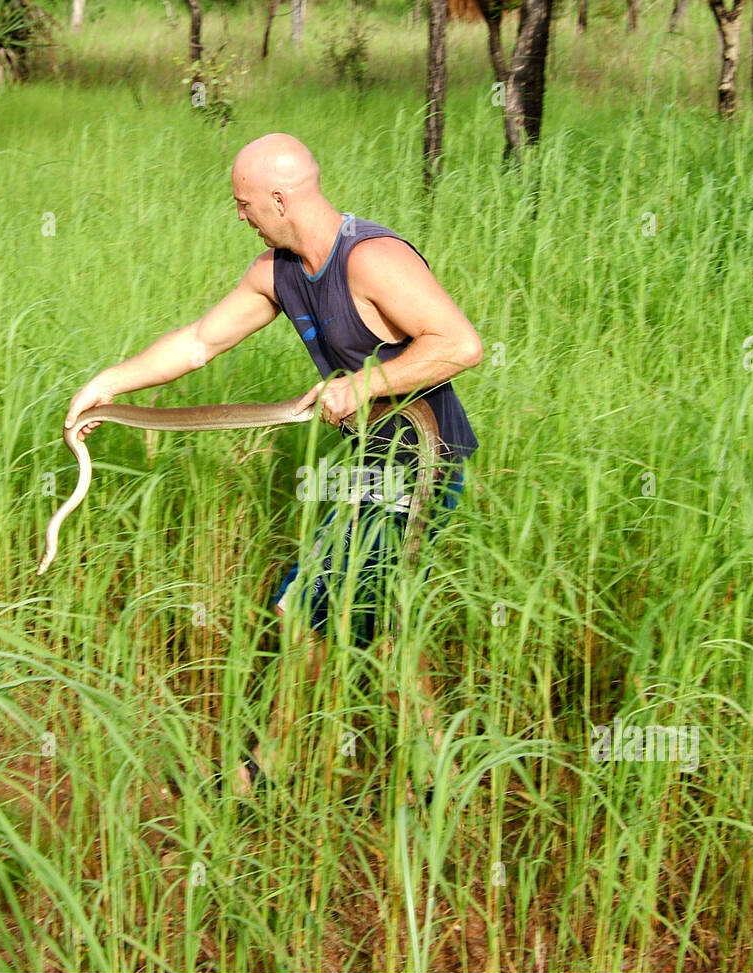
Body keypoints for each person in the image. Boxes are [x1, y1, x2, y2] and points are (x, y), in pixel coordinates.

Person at [64, 132, 481, 794]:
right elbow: (200, 342)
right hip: (371, 471)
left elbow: (460, 343)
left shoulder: (372, 258)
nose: (239, 214)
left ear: (280, 198)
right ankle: (442, 779)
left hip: (423, 461)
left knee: (304, 606)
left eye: (244, 202)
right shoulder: (278, 272)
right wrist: (111, 383)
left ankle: (261, 775)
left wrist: (363, 385)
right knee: (379, 622)